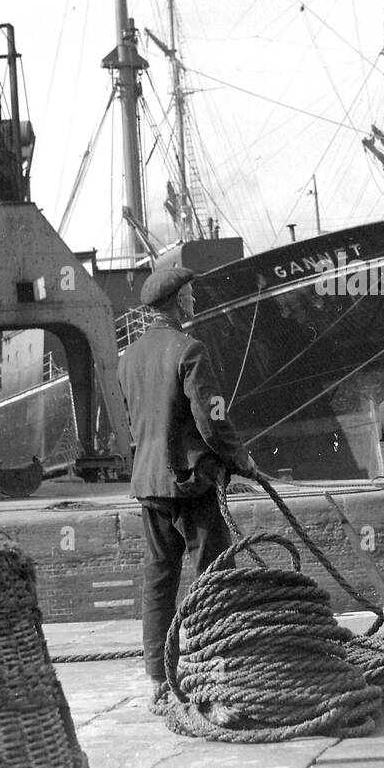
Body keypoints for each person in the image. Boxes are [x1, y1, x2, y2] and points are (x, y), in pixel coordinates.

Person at [117, 266, 258, 704]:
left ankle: (159, 678)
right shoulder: (189, 350)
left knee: (159, 578)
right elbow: (212, 418)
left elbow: (136, 422)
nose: (194, 301)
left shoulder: (128, 358)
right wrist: (241, 459)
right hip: (192, 485)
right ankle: (220, 665)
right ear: (178, 302)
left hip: (149, 484)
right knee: (215, 575)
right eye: (190, 295)